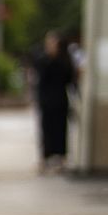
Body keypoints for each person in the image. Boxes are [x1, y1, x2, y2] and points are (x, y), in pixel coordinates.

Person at [32, 30, 77, 175]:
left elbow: (69, 78)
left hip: (60, 99)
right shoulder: (43, 59)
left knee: (60, 129)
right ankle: (46, 157)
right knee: (46, 129)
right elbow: (39, 73)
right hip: (46, 99)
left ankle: (61, 156)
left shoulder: (64, 60)